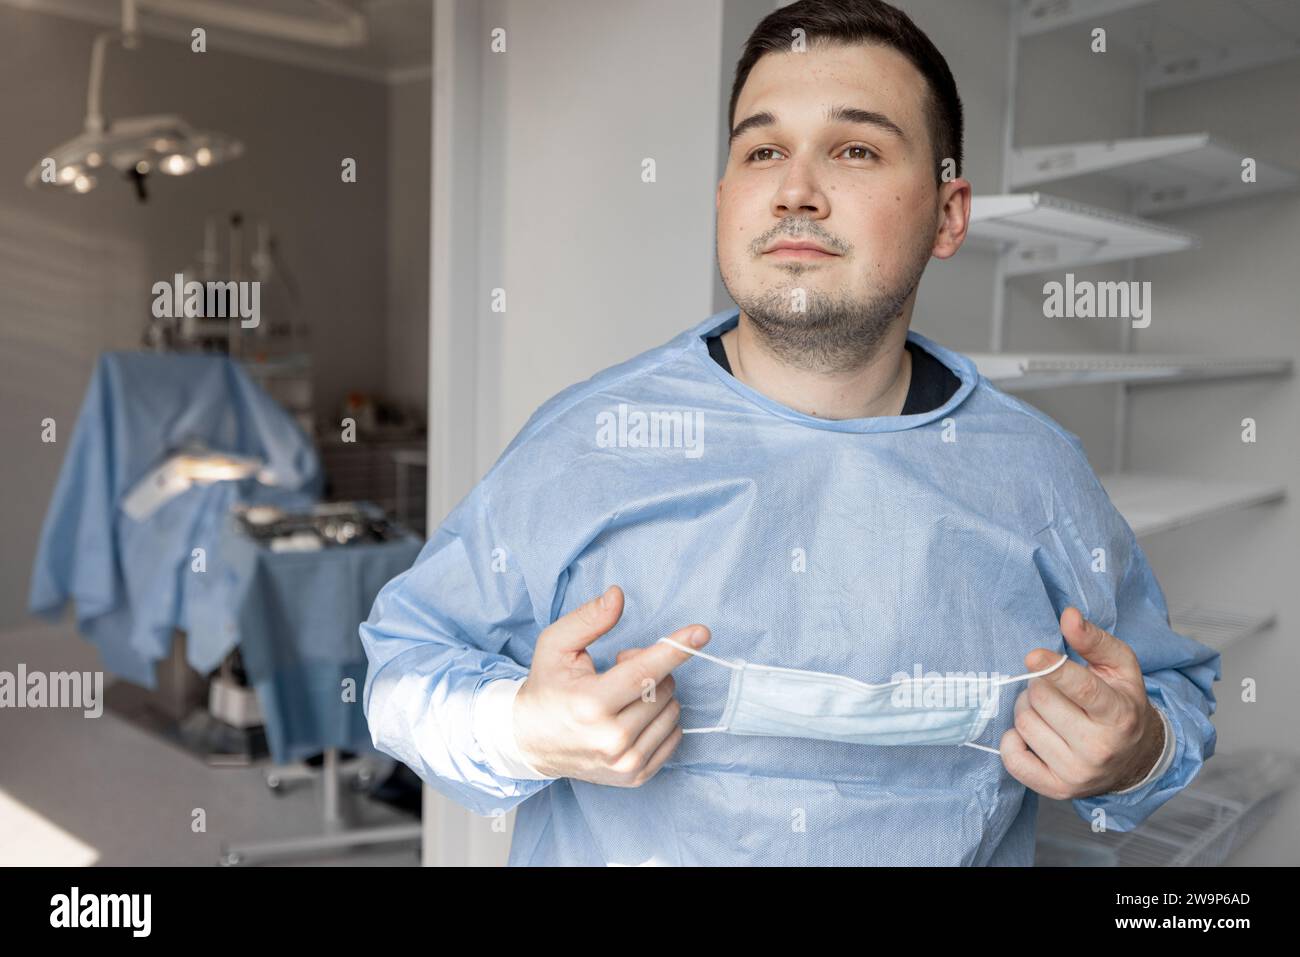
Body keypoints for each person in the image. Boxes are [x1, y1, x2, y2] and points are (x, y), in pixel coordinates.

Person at [359, 0, 1219, 866]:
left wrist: (1137, 749)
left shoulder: (1038, 477)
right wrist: (521, 728)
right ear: (726, 198)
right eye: (763, 150)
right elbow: (399, 672)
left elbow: (1171, 693)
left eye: (856, 150)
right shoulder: (591, 443)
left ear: (949, 214)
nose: (795, 190)